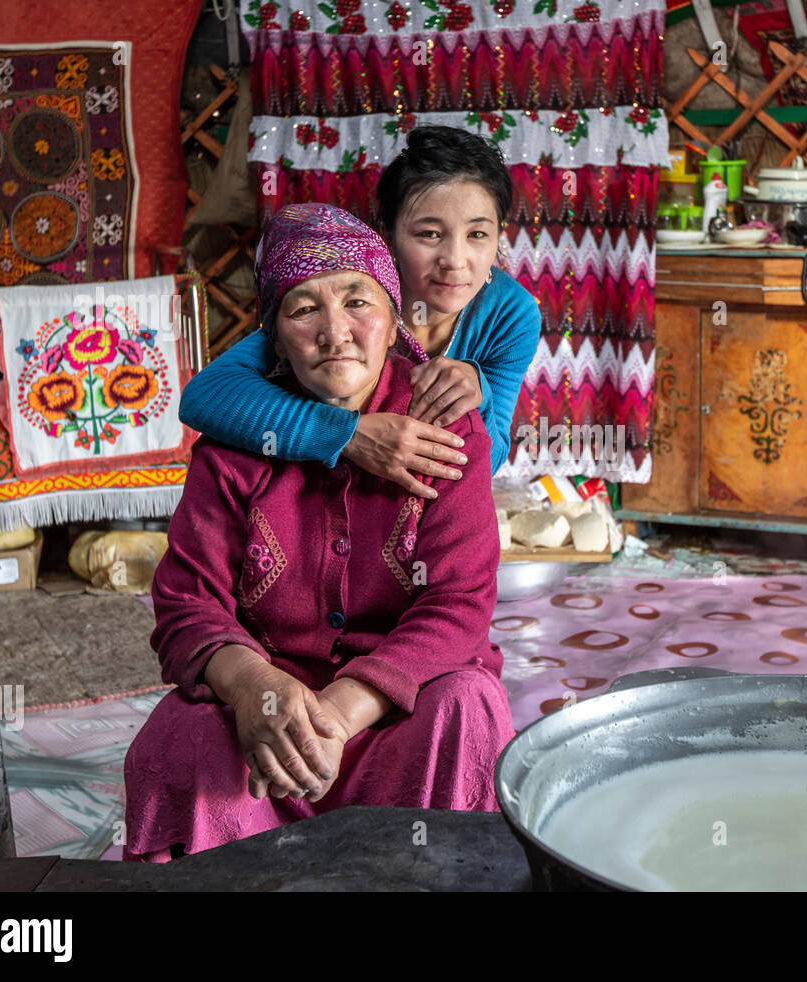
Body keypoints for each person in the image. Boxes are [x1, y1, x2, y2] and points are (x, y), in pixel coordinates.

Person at [123, 204, 514, 862]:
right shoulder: (236, 446)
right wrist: (255, 689)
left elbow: (458, 604)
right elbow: (188, 604)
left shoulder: (446, 431)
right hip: (265, 738)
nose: (336, 332)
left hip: (397, 724)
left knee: (467, 702)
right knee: (178, 732)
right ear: (273, 339)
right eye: (303, 309)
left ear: (394, 322)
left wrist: (336, 715)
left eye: (358, 301)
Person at [178, 125, 542, 493]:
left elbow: (486, 463)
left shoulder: (511, 315)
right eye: (429, 234)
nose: (455, 261)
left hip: (421, 504)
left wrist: (481, 392)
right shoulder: (351, 295)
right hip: (316, 491)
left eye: (477, 234)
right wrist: (345, 436)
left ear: (499, 235)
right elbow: (204, 398)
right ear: (388, 236)